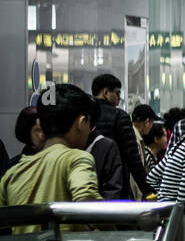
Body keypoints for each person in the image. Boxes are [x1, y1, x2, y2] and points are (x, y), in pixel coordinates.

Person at [0, 86, 100, 226]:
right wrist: (113, 235)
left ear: (40, 124)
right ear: (81, 122)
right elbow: (87, 199)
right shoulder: (77, 158)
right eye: (89, 122)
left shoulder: (11, 174)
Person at [91, 73, 152, 198]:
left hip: (88, 177)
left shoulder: (85, 115)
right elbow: (133, 159)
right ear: (106, 92)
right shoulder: (119, 116)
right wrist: (148, 190)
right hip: (116, 182)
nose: (119, 99)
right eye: (117, 93)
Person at [130, 104, 158, 197]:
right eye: (152, 122)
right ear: (147, 122)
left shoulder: (133, 136)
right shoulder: (135, 140)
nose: (152, 127)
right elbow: (134, 177)